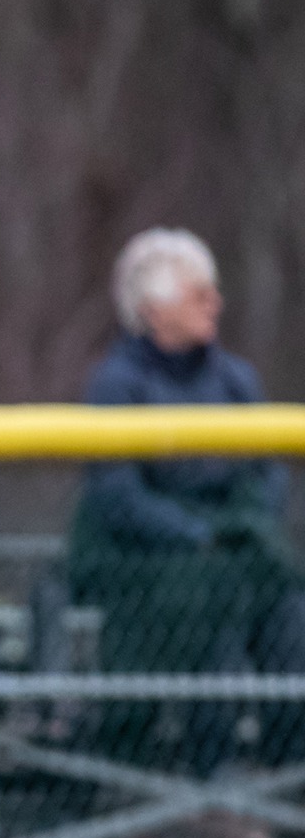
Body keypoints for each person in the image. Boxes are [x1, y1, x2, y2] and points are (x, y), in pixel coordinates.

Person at [67, 228, 305, 778]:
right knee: (207, 607)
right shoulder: (117, 384)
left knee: (289, 608)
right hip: (155, 560)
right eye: (199, 294)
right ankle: (209, 775)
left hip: (234, 549)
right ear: (154, 310)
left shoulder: (234, 378)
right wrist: (197, 535)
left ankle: (289, 771)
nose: (214, 304)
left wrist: (244, 526)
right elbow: (117, 496)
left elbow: (269, 471)